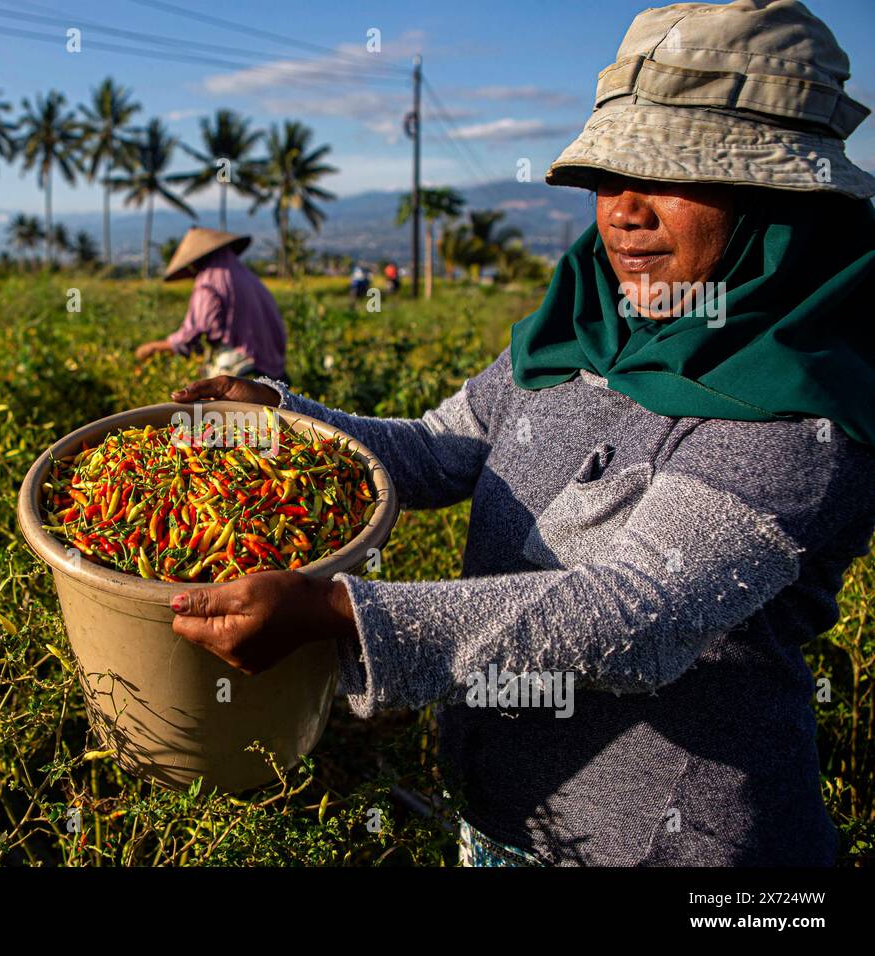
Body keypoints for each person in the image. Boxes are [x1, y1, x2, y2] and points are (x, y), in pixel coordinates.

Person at [166, 0, 875, 867]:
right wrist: (278, 419)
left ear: (780, 199)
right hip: (505, 817)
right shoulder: (583, 331)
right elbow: (438, 450)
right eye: (611, 176)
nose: (623, 210)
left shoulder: (804, 409)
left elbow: (632, 615)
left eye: (669, 174)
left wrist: (336, 613)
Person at [134, 227, 286, 379]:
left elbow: (195, 331)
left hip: (244, 372)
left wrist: (154, 348)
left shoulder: (208, 282)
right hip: (276, 374)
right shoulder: (250, 278)